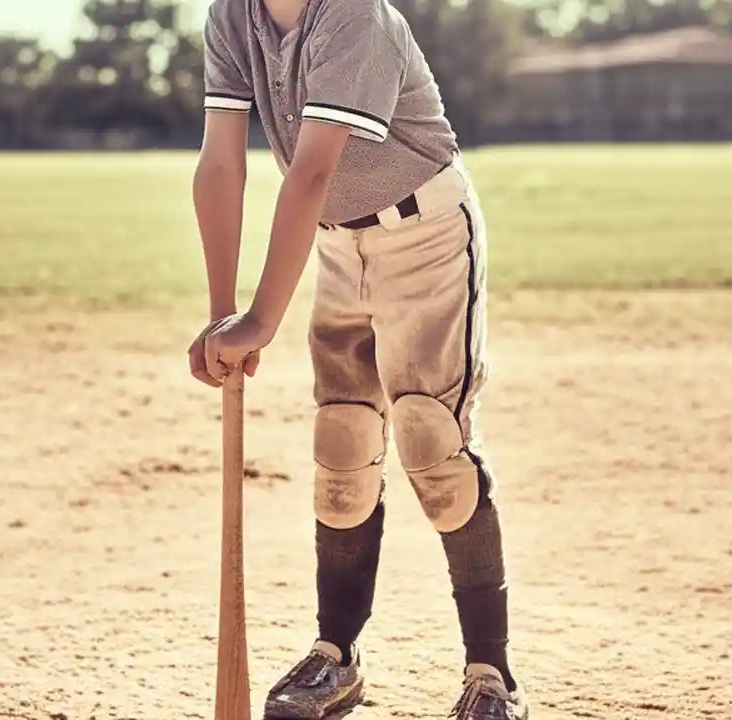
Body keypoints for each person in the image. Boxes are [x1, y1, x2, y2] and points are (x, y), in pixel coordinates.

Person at [188, 0, 528, 717]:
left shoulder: (353, 15)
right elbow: (221, 164)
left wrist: (262, 318)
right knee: (341, 441)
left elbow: (311, 170)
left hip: (427, 234)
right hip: (340, 241)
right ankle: (336, 656)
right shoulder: (232, 15)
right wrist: (225, 316)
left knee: (433, 444)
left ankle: (491, 675)